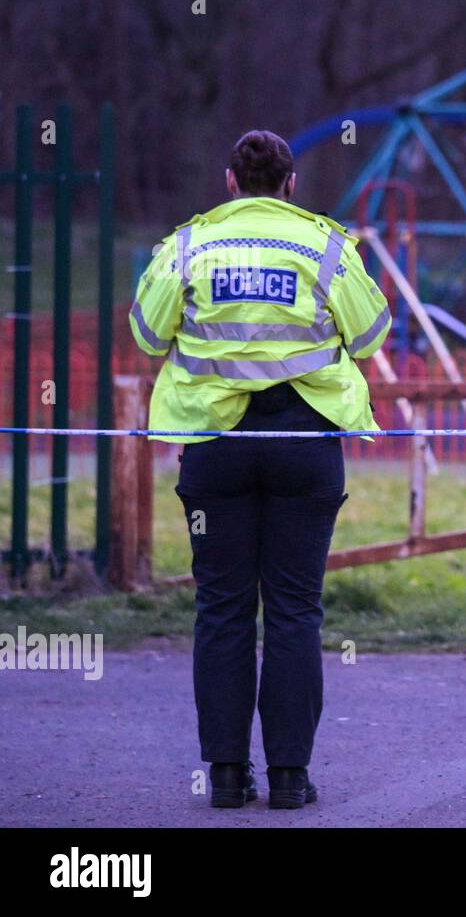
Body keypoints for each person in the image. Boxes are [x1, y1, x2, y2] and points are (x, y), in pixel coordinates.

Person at [129, 130, 391, 810]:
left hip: (215, 448)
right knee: (295, 611)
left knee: (222, 609)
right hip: (305, 446)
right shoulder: (327, 245)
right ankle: (288, 779)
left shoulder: (187, 246)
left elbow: (146, 334)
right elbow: (369, 336)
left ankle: (223, 776)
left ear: (228, 182)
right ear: (291, 183)